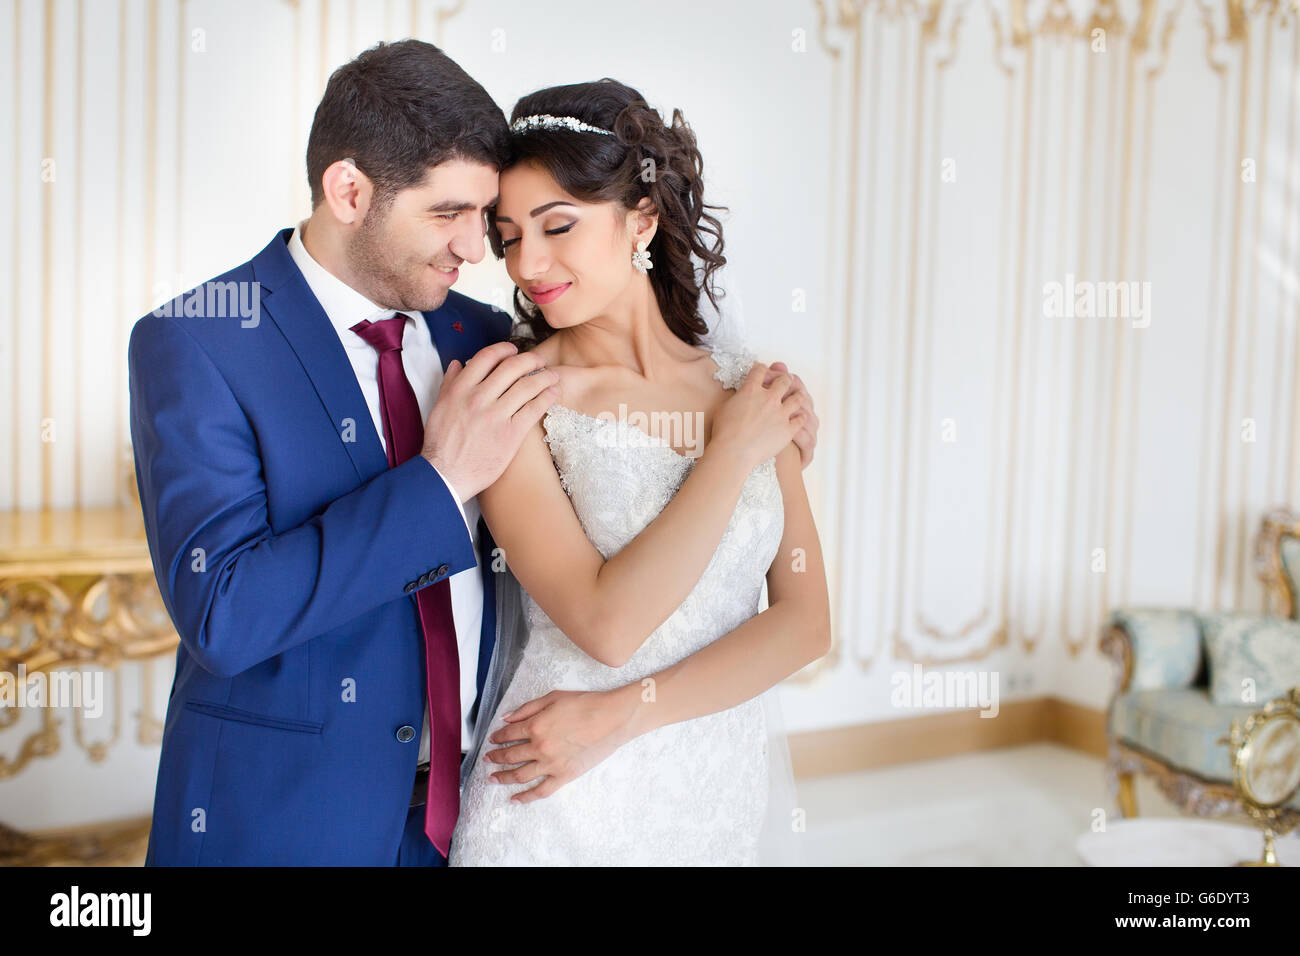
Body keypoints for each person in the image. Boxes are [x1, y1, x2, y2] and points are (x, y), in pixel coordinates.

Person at [128, 40, 821, 865]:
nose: (486, 256)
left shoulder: (485, 339)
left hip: (472, 798)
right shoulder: (200, 342)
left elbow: (783, 605)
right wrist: (441, 480)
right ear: (349, 190)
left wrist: (757, 448)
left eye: (484, 219)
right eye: (453, 215)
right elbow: (226, 615)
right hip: (289, 816)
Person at [450, 80, 831, 866]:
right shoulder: (518, 400)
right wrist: (728, 453)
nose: (528, 262)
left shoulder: (750, 387)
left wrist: (629, 716)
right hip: (554, 801)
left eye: (557, 226)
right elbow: (609, 626)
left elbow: (805, 622)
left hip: (711, 795)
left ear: (643, 219)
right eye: (509, 236)